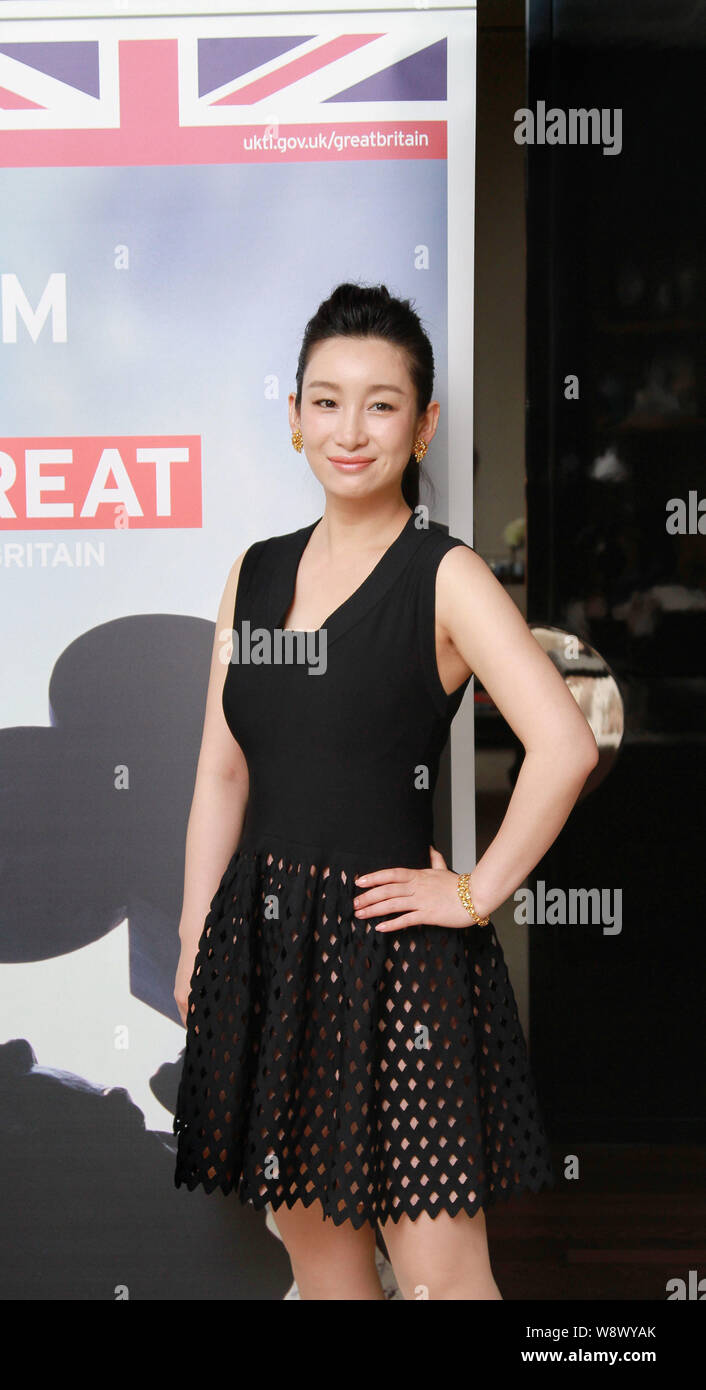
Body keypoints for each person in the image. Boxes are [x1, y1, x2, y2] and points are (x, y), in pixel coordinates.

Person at [172, 282, 599, 1300]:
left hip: (398, 963)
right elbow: (222, 764)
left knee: (443, 1279)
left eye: (379, 403)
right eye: (324, 401)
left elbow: (564, 744)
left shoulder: (442, 576)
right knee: (321, 1266)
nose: (348, 429)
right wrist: (196, 933)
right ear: (292, 419)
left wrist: (473, 891)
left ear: (422, 425)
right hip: (269, 950)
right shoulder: (254, 570)